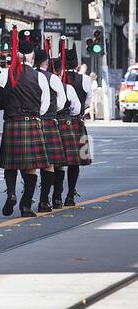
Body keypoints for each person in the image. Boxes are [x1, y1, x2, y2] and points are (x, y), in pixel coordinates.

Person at [0, 40, 51, 218]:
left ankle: (11, 194)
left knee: (10, 165)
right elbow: (44, 104)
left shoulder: (7, 73)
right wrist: (34, 114)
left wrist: (5, 103)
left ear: (17, 55)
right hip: (31, 122)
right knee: (31, 167)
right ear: (31, 56)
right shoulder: (39, 76)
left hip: (12, 122)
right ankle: (26, 205)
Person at [36, 49, 80, 212]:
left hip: (42, 122)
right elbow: (76, 109)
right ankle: (58, 198)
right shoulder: (65, 86)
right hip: (61, 124)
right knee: (60, 164)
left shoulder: (37, 78)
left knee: (44, 163)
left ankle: (46, 198)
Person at [60, 48, 94, 206]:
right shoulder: (85, 80)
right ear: (76, 63)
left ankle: (56, 196)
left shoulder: (55, 77)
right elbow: (86, 103)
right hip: (76, 122)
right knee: (74, 162)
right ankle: (70, 195)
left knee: (57, 162)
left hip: (58, 122)